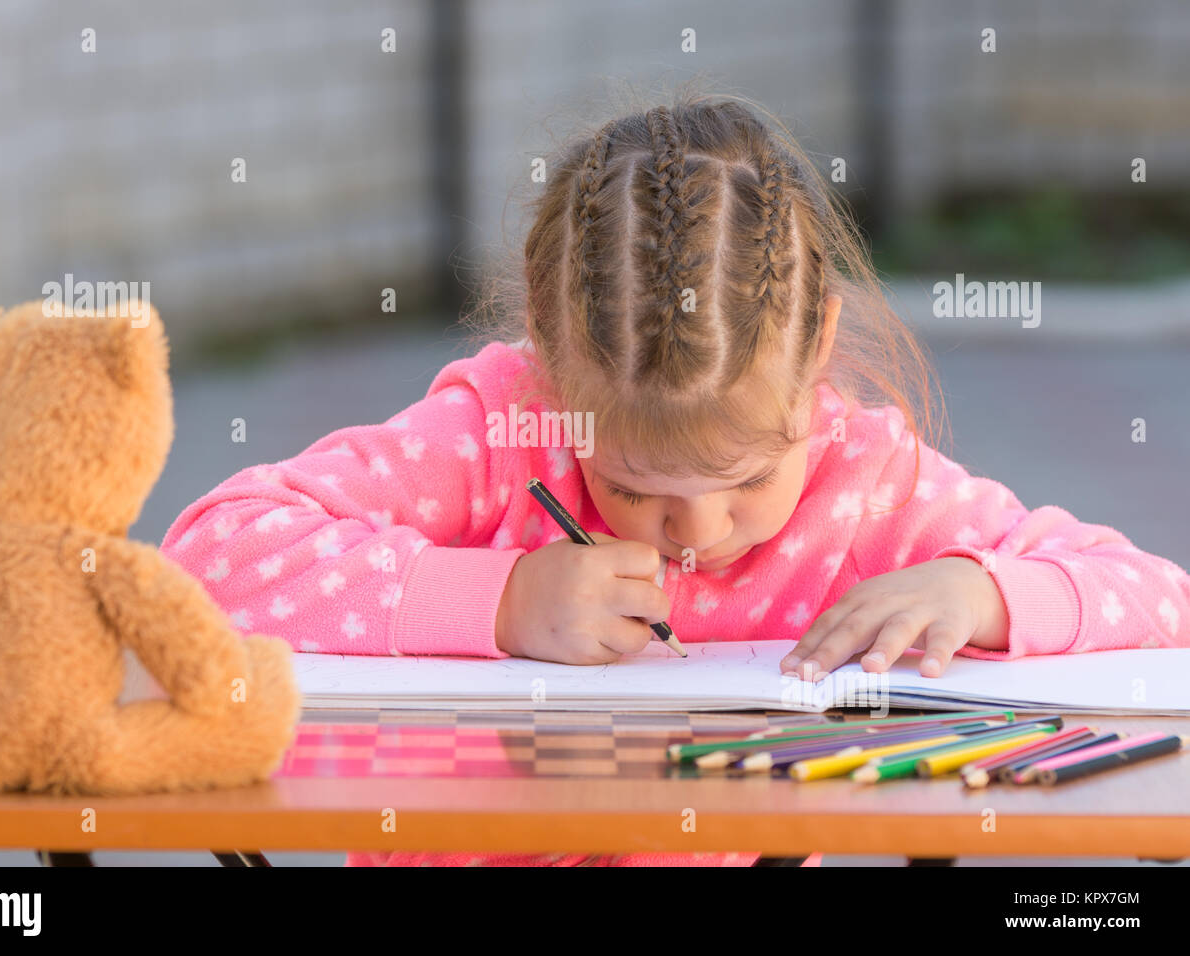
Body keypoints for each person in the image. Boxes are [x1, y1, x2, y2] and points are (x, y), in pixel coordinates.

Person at [158, 94, 1190, 866]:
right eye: (632, 482)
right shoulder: (504, 433)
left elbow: (1158, 600)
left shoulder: (862, 482)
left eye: (743, 477)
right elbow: (208, 553)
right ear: (553, 362)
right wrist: (501, 600)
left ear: (818, 350)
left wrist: (982, 590)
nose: (692, 529)